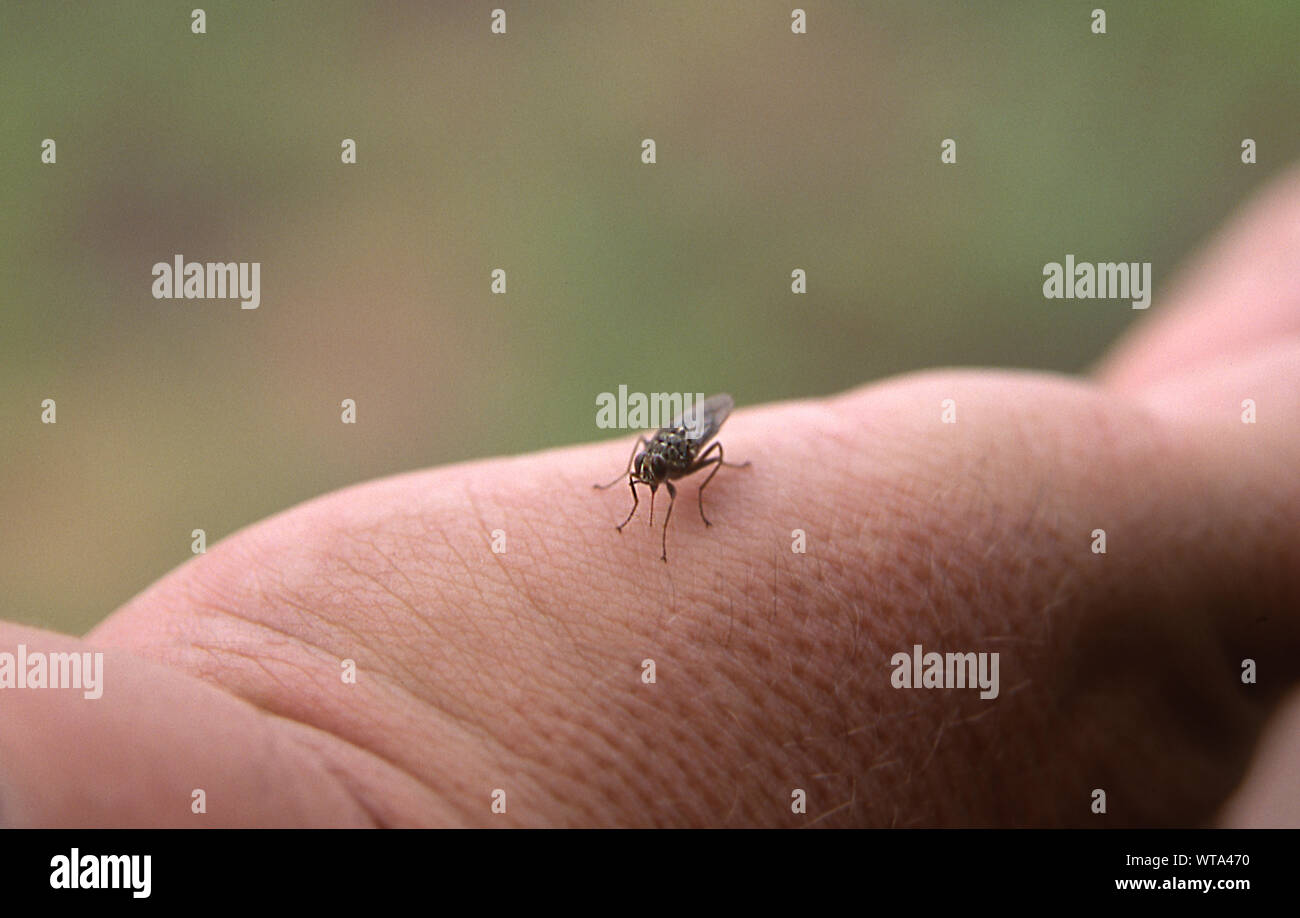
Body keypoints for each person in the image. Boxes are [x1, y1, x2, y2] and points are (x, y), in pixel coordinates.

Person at [3, 166, 1298, 828]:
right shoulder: (648, 476)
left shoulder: (688, 462)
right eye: (649, 469)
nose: (648, 476)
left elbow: (698, 451)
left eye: (653, 468)